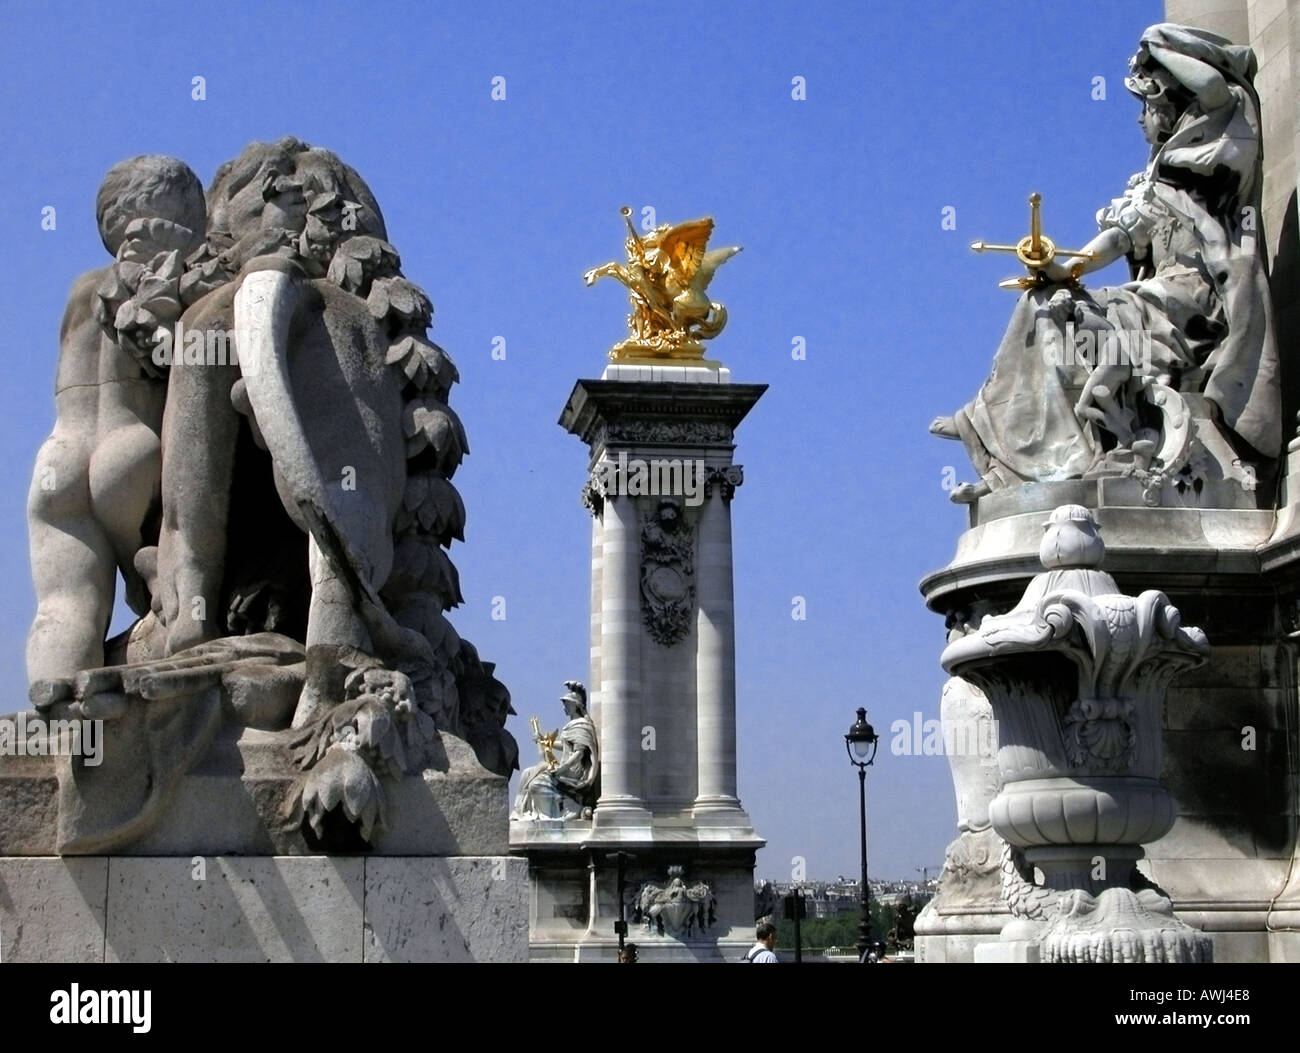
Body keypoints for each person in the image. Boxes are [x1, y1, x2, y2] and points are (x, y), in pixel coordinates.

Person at [934, 23, 1278, 504]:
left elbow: (1217, 90)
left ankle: (1050, 442)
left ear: (1170, 106)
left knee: (1100, 322)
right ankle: (996, 430)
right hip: (1154, 299)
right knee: (1044, 303)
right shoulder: (1152, 183)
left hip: (1194, 305)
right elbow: (1115, 241)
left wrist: (1158, 45)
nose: (1140, 120)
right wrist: (1063, 269)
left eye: (1147, 106)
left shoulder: (1214, 155)